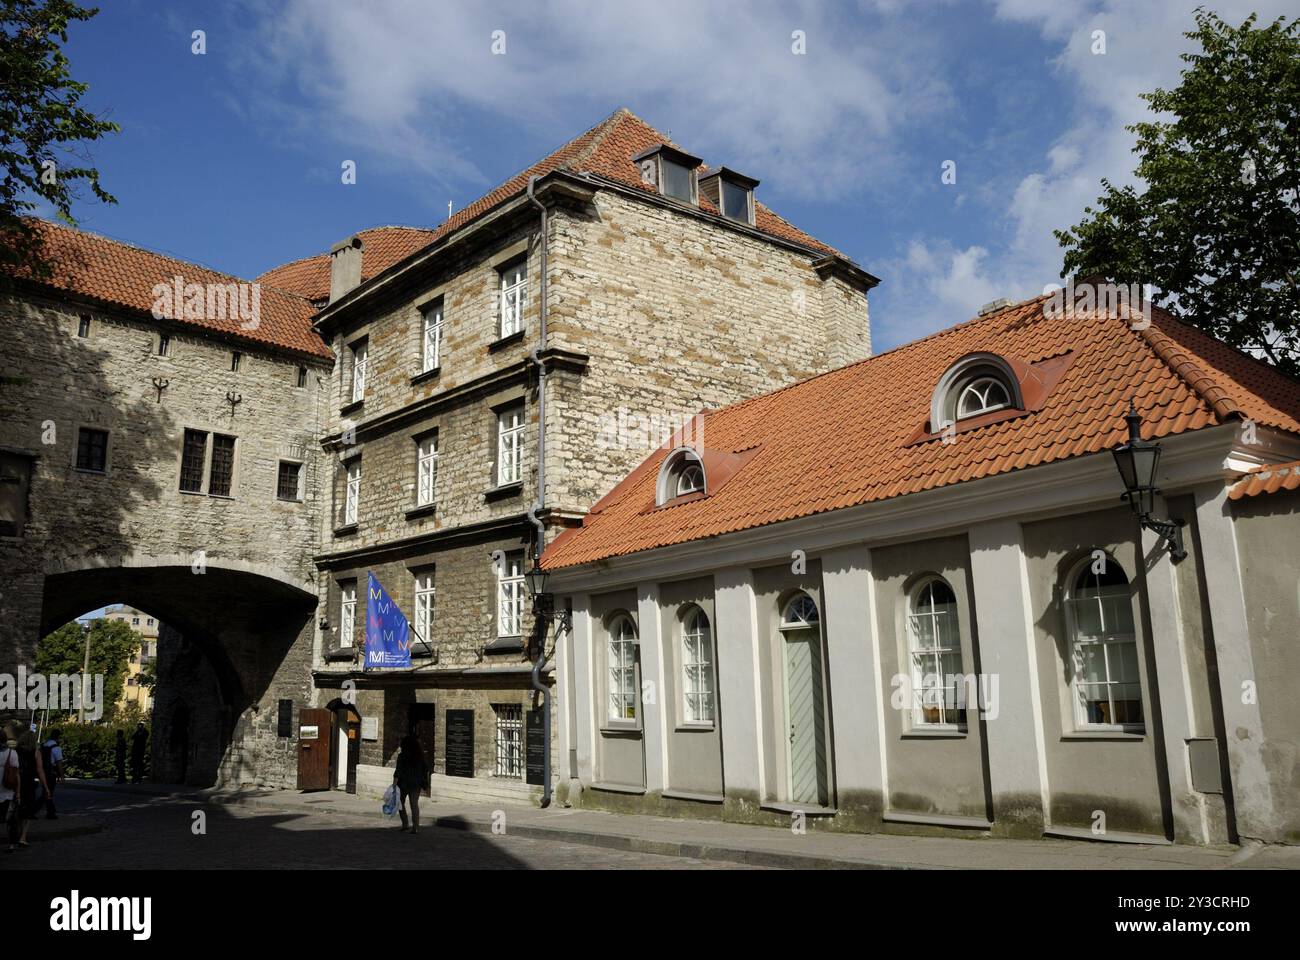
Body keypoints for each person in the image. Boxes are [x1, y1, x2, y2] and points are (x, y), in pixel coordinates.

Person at [16, 729, 50, 848]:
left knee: (18, 808)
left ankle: (17, 833)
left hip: (16, 781)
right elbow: (40, 770)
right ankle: (23, 837)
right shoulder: (36, 752)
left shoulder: (16, 750)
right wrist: (45, 787)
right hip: (29, 782)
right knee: (28, 810)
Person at [393, 734, 429, 835]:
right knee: (414, 805)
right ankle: (415, 827)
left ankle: (405, 824)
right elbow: (425, 770)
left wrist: (394, 784)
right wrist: (426, 783)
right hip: (416, 783)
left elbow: (398, 771)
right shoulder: (420, 756)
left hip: (404, 783)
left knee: (400, 803)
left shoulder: (402, 756)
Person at [1, 723, 21, 853]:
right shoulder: (12, 753)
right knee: (11, 820)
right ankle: (12, 844)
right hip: (7, 790)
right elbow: (17, 775)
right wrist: (18, 792)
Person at [40, 728, 63, 818]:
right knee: (48, 792)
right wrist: (62, 776)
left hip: (43, 771)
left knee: (46, 791)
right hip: (51, 772)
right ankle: (35, 809)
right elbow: (59, 763)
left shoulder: (44, 744)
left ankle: (51, 811)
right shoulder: (56, 748)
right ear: (58, 737)